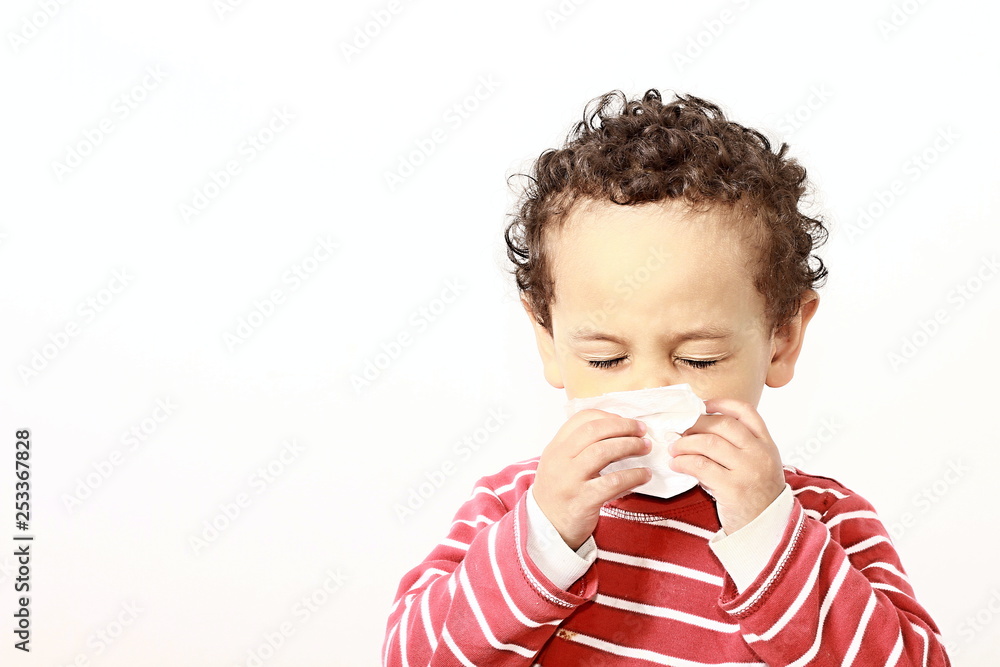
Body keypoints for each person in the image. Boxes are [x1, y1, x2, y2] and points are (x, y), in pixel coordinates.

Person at [382, 88, 950, 665]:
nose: (647, 392)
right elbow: (412, 657)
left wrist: (770, 535)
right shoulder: (515, 507)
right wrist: (545, 541)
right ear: (548, 339)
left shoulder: (826, 521)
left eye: (699, 360)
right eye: (605, 359)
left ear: (783, 337)